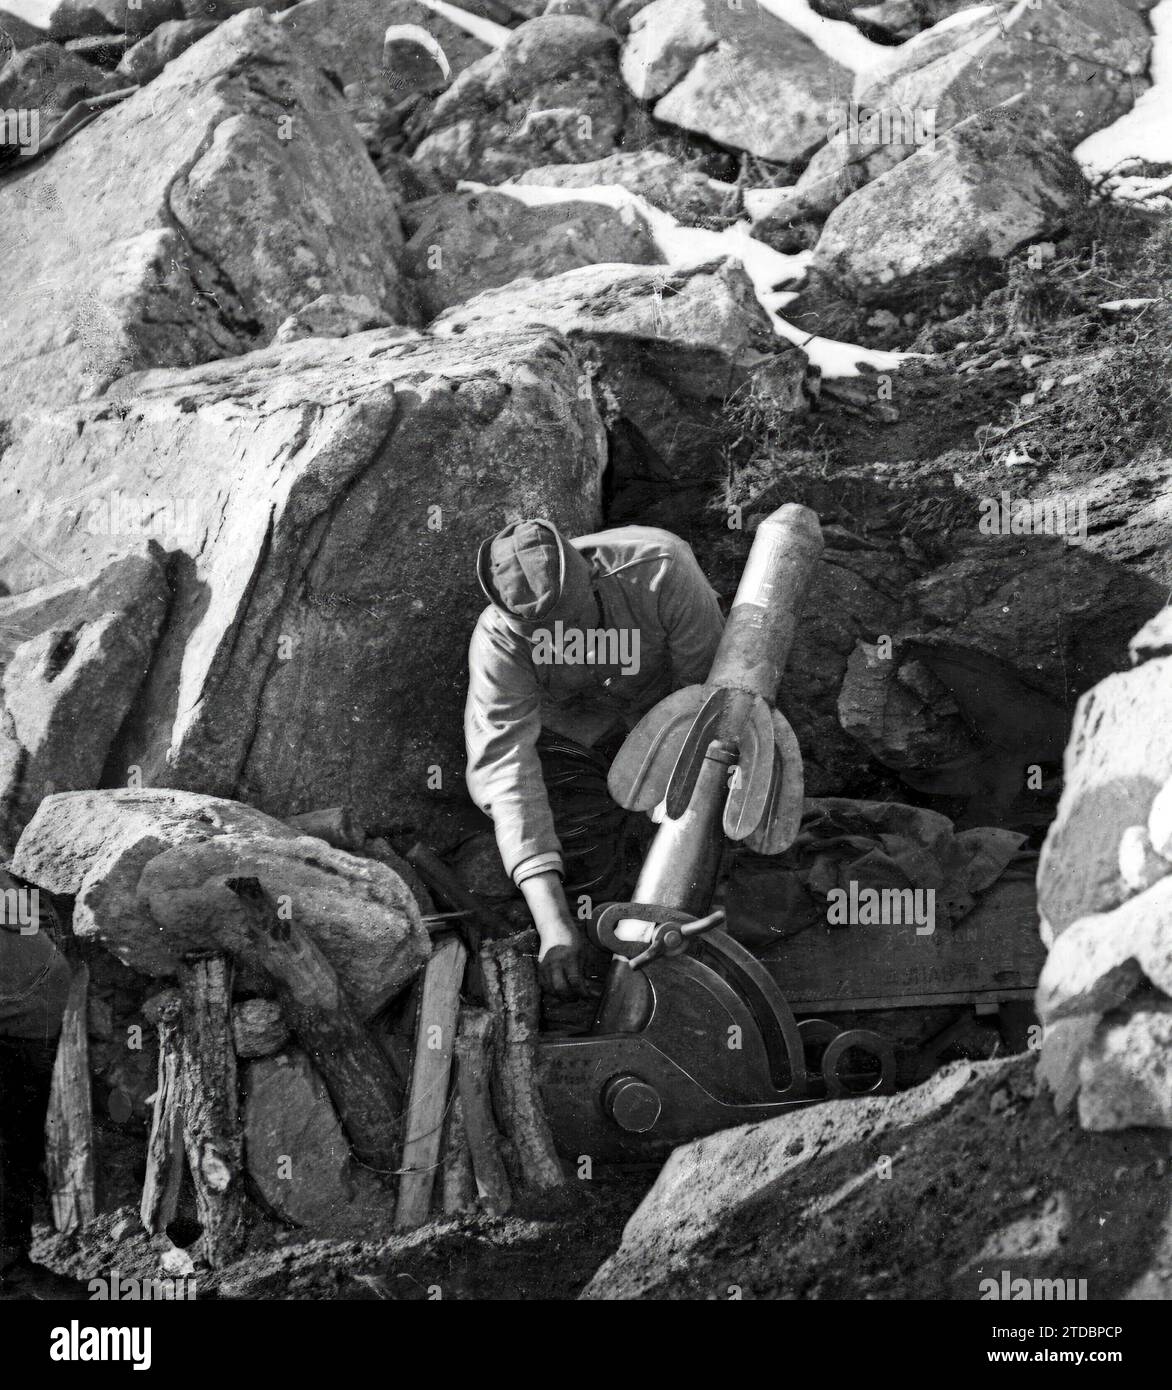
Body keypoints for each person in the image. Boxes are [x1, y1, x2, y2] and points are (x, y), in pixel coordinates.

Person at [465, 518, 724, 999]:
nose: (565, 647)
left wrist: (669, 794)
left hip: (669, 719)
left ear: (593, 578)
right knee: (589, 877)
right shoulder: (498, 641)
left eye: (574, 630)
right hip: (577, 738)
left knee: (704, 845)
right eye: (546, 641)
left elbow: (709, 699)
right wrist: (554, 925)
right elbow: (508, 772)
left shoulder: (661, 568)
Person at [0, 871, 73, 1298]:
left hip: (26, 1030)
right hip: (10, 1031)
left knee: (17, 1154)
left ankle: (14, 1265)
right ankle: (9, 1277)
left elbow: (28, 918)